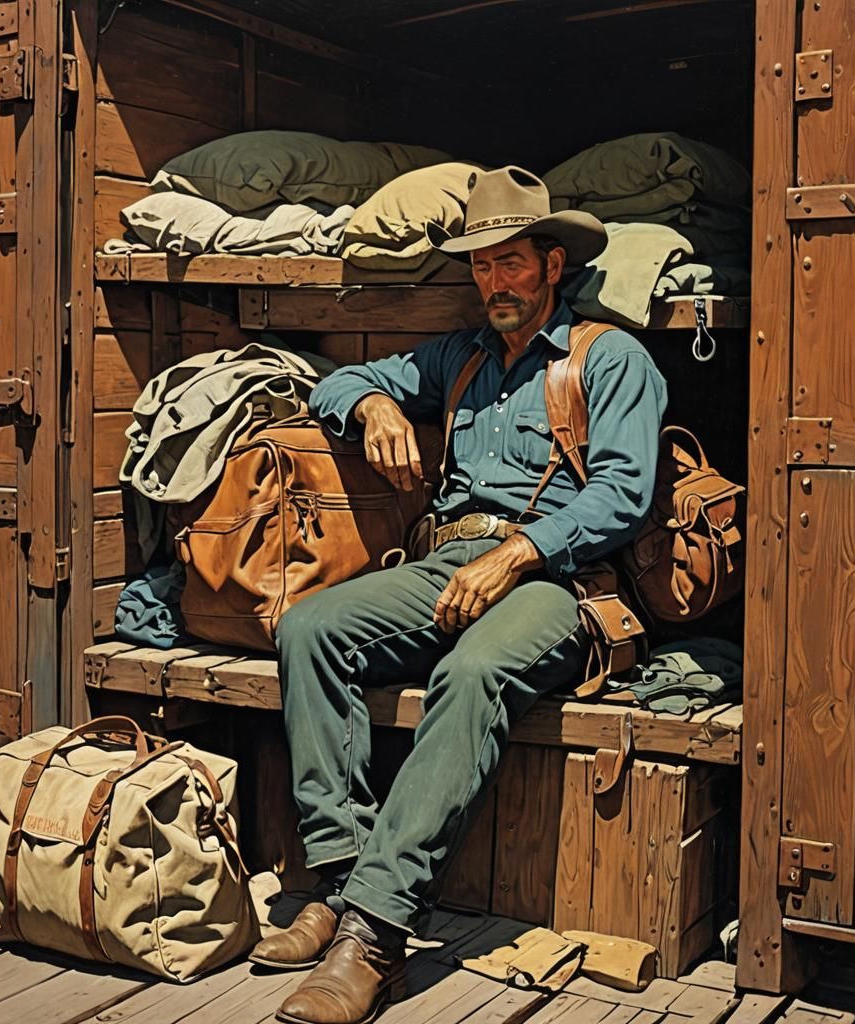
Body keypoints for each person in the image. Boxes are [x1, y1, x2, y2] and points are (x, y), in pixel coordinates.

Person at [254, 166, 667, 1024]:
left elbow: (625, 493)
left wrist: (519, 551)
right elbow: (330, 383)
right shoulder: (464, 355)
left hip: (561, 581)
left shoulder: (609, 357)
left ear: (553, 264)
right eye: (480, 267)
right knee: (310, 628)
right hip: (446, 565)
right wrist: (373, 406)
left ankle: (373, 935)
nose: (493, 283)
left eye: (510, 263)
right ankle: (336, 882)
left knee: (474, 672)